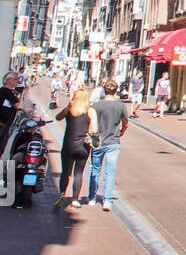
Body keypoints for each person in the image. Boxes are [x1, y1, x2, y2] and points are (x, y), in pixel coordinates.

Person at [86, 77, 129, 212]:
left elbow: (91, 121)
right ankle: (107, 201)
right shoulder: (121, 106)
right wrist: (122, 131)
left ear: (104, 91)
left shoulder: (97, 105)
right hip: (113, 142)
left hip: (98, 141)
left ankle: (92, 197)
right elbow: (125, 122)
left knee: (95, 169)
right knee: (110, 172)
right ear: (116, 91)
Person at [53, 87, 92, 210]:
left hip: (69, 145)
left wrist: (67, 106)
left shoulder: (70, 109)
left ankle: (62, 194)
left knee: (66, 172)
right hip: (83, 147)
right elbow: (94, 129)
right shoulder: (90, 111)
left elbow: (57, 117)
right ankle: (75, 199)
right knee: (79, 173)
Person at [0, 72, 24, 167]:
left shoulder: (7, 92)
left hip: (5, 122)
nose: (17, 82)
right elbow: (17, 105)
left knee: (0, 147)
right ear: (9, 80)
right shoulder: (5, 92)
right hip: (3, 123)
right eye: (15, 79)